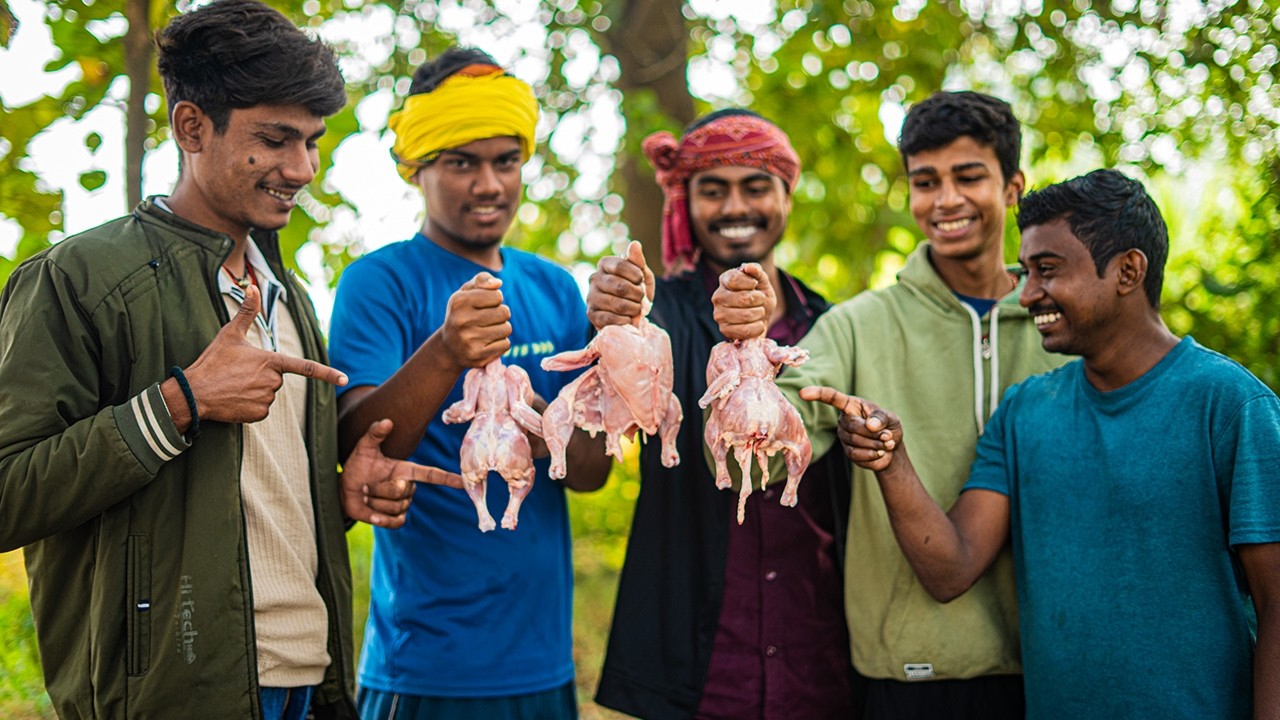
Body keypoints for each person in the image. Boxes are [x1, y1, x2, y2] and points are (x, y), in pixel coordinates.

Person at [0, 2, 449, 718]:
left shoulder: (290, 296)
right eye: (275, 140)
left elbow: (240, 504)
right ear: (191, 127)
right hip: (167, 697)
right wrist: (178, 402)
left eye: (312, 142)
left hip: (314, 681)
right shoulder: (77, 278)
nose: (301, 169)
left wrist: (334, 498)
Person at [807, 169, 1280, 718]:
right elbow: (950, 569)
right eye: (1026, 271)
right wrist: (891, 461)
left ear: (1128, 270)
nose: (1027, 294)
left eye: (1047, 271)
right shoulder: (1026, 410)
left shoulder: (1230, 407)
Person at [710, 91, 1067, 718]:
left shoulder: (1062, 323)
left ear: (1013, 187)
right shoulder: (856, 327)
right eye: (925, 181)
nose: (946, 200)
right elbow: (758, 459)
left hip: (1057, 665)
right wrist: (744, 356)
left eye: (968, 176)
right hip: (908, 674)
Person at [327, 47, 612, 720]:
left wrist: (546, 422)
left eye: (505, 161)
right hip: (424, 664)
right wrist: (447, 352)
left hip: (542, 660)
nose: (489, 184)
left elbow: (593, 472)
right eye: (461, 162)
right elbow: (357, 445)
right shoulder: (380, 282)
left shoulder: (553, 287)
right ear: (418, 167)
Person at [586, 109, 858, 719]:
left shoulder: (834, 327)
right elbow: (621, 381)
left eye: (755, 185)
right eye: (713, 189)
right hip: (695, 672)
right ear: (686, 203)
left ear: (786, 195)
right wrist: (611, 319)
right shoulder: (661, 321)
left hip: (824, 663)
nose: (736, 205)